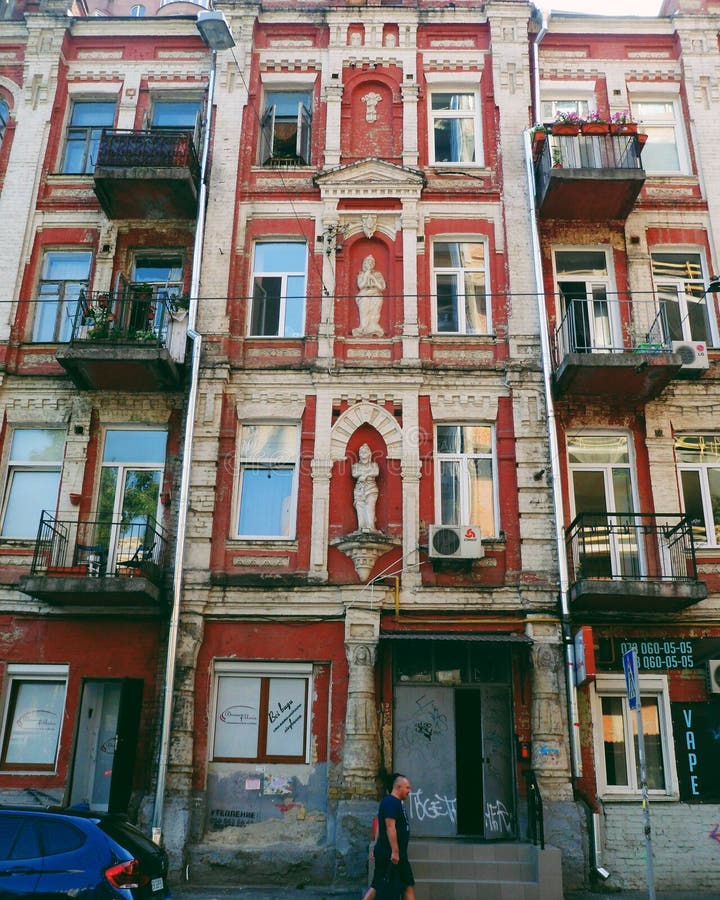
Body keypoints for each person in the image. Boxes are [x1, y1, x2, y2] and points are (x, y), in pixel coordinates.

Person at [362, 773, 415, 900]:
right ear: (398, 786)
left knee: (407, 885)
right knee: (380, 885)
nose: (409, 791)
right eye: (407, 788)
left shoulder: (396, 803)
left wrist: (376, 846)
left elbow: (380, 827)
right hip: (390, 854)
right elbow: (389, 826)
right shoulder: (391, 802)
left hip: (396, 854)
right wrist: (395, 851)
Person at [353, 254, 386, 337]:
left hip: (376, 294)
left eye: (371, 262)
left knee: (374, 312)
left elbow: (381, 287)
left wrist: (373, 278)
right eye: (368, 262)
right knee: (364, 311)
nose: (370, 264)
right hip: (364, 295)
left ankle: (373, 327)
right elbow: (360, 286)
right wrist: (366, 275)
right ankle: (363, 328)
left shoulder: (378, 274)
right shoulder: (361, 274)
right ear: (364, 263)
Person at [352, 443, 380, 532]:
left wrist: (365, 475)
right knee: (359, 506)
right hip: (359, 489)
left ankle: (371, 527)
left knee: (370, 507)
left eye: (365, 452)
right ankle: (361, 527)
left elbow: (376, 472)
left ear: (369, 454)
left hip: (371, 488)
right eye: (361, 452)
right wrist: (362, 475)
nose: (363, 453)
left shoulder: (374, 465)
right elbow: (354, 474)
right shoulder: (356, 466)